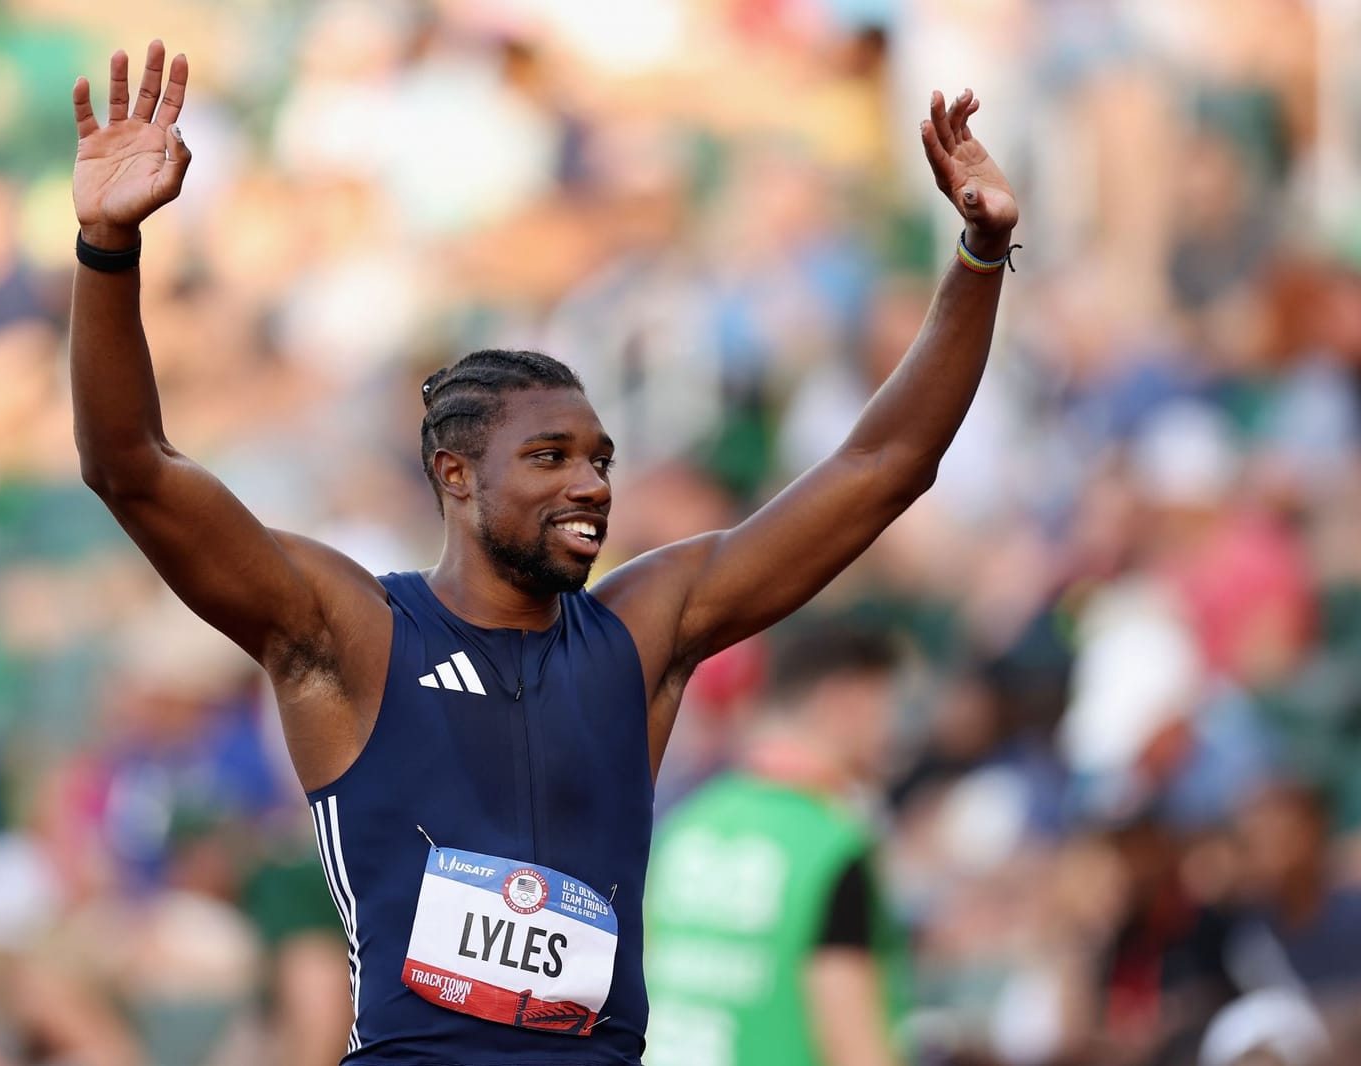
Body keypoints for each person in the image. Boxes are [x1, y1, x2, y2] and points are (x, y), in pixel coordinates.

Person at [68, 38, 1018, 1064]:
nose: (591, 485)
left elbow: (884, 465)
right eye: (550, 458)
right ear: (455, 474)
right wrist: (108, 250)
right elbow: (133, 467)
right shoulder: (348, 632)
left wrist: (978, 256)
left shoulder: (642, 631)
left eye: (601, 460)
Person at [642, 622, 911, 1066]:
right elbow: (856, 1046)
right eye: (889, 708)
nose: (895, 732)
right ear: (844, 702)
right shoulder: (830, 846)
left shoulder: (688, 823)